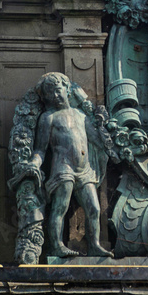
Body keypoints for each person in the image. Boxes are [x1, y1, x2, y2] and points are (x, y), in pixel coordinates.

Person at [30, 73, 113, 258]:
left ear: (67, 89)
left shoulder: (81, 115)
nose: (55, 96)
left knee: (94, 208)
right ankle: (57, 246)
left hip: (85, 170)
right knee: (61, 206)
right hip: (63, 167)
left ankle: (94, 245)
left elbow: (96, 140)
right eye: (50, 94)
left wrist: (103, 126)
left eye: (58, 90)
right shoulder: (48, 118)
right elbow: (40, 150)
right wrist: (34, 163)